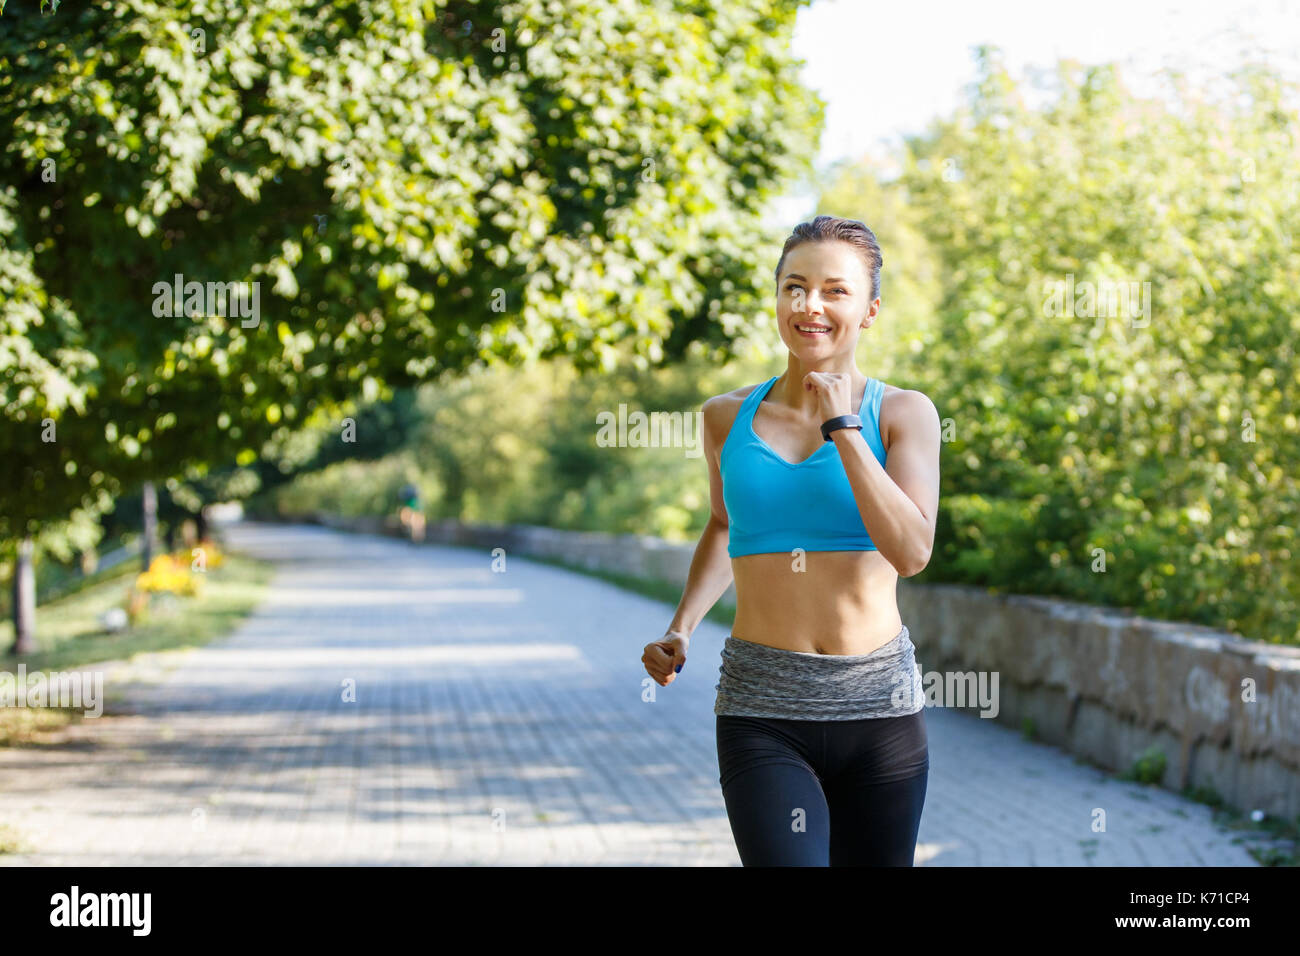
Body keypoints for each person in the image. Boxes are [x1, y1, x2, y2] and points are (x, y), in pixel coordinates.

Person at [641, 215, 942, 866]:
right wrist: (684, 625)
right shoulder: (727, 416)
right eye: (794, 286)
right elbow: (727, 526)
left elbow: (912, 551)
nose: (811, 305)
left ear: (869, 310)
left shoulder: (902, 413)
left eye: (836, 290)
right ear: (776, 297)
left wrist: (844, 427)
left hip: (878, 708)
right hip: (762, 707)